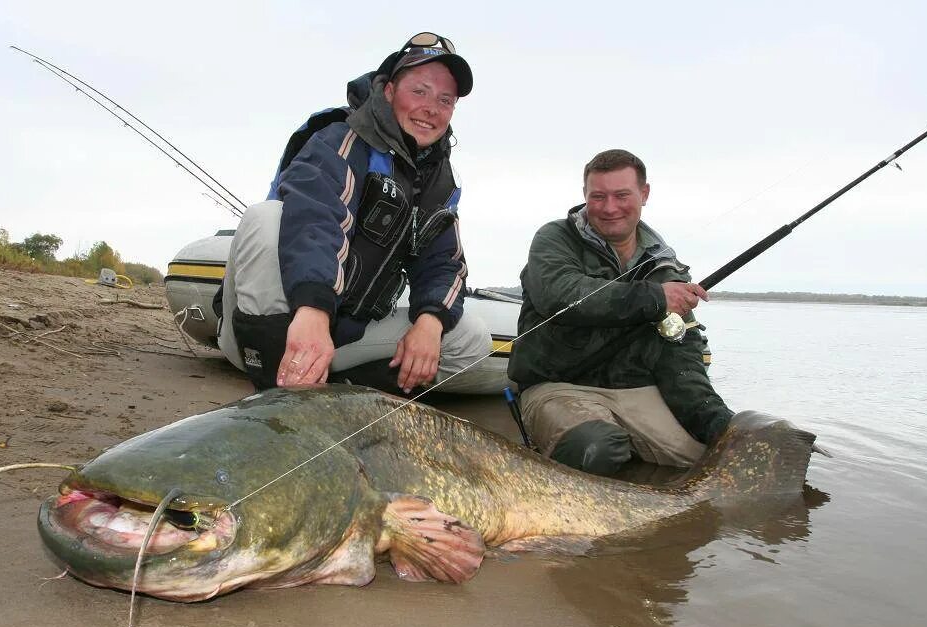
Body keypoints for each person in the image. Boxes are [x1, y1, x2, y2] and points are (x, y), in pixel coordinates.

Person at [217, 32, 490, 395]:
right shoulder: (340, 137)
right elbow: (317, 217)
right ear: (390, 91)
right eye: (420, 91)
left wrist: (430, 321)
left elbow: (445, 262)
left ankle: (340, 396)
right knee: (265, 218)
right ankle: (274, 385)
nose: (431, 108)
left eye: (445, 100)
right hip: (290, 318)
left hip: (347, 332)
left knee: (473, 340)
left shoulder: (441, 180)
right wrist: (314, 309)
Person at [507, 149, 734, 476]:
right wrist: (654, 298)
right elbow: (561, 295)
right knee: (596, 446)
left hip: (636, 390)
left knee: (718, 457)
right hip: (556, 386)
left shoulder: (666, 269)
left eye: (621, 195)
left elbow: (681, 363)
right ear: (584, 195)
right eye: (598, 196)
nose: (610, 207)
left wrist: (719, 424)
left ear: (644, 194)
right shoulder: (554, 239)